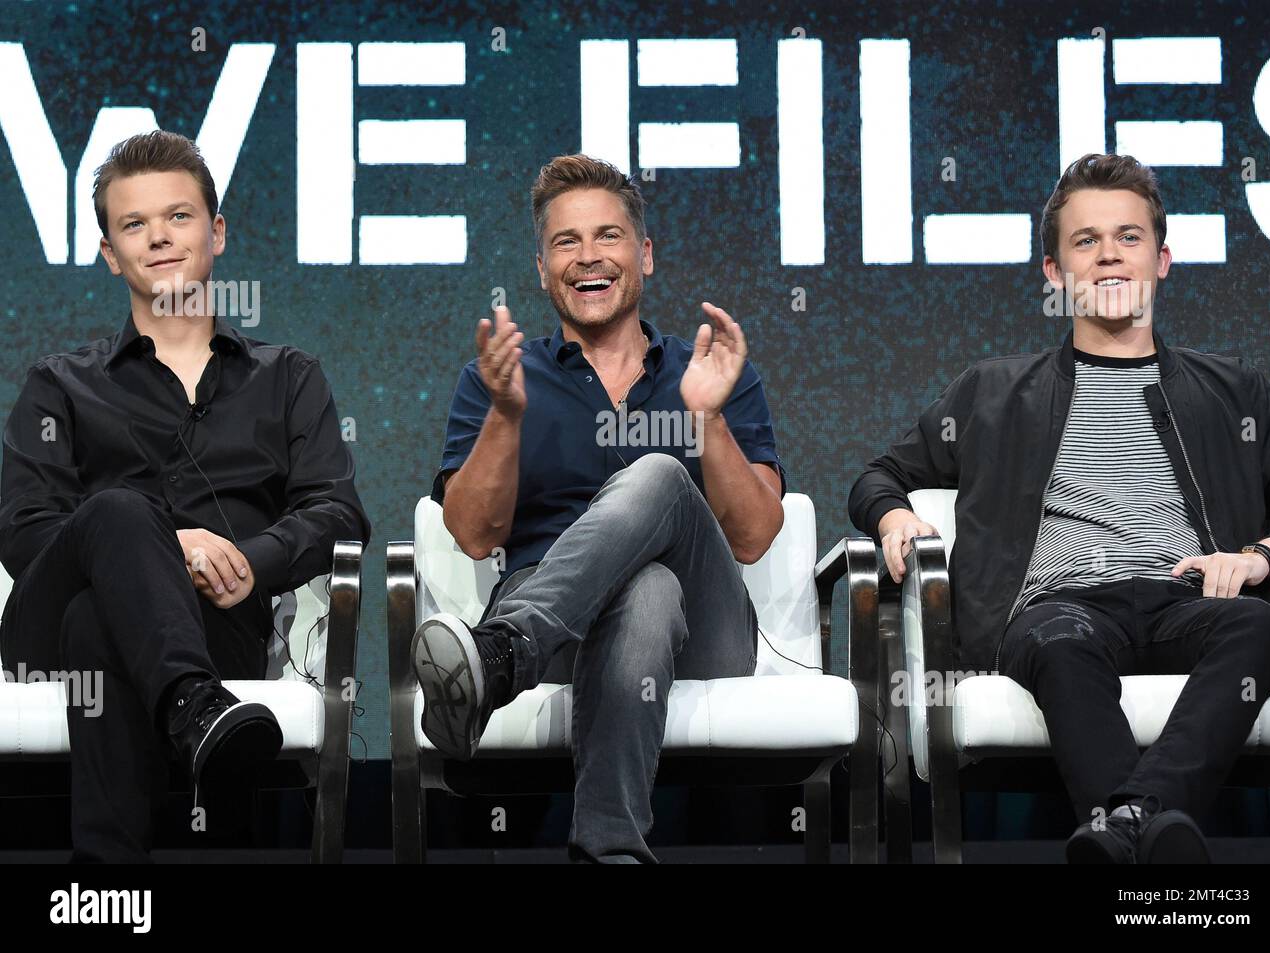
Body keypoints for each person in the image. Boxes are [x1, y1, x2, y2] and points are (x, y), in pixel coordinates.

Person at [849, 153, 1270, 863]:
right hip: (1060, 607)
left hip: (1185, 595)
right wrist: (893, 515)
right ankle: (1159, 831)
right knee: (1064, 647)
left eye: (1129, 237)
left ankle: (1123, 824)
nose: (1110, 255)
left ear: (1164, 260)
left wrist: (1261, 557)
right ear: (1054, 273)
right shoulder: (993, 391)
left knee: (1258, 628)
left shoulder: (1233, 391)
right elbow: (879, 474)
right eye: (1086, 241)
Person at [0, 130, 371, 862]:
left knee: (96, 618)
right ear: (110, 253)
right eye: (134, 224)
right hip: (39, 641)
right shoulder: (60, 383)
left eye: (178, 216)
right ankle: (195, 707)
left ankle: (109, 877)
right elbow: (23, 528)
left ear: (217, 232)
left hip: (216, 624)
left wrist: (248, 559)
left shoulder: (288, 377)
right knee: (115, 513)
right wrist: (161, 544)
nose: (159, 237)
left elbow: (337, 512)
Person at [416, 154, 786, 863]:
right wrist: (505, 417)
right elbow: (470, 533)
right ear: (540, 267)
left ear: (643, 255)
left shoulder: (704, 370)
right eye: (566, 241)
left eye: (609, 237)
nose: (589, 257)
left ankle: (501, 652)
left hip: (704, 638)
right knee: (645, 589)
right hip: (564, 632)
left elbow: (754, 536)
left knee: (659, 476)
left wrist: (706, 420)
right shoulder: (501, 377)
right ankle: (609, 849)